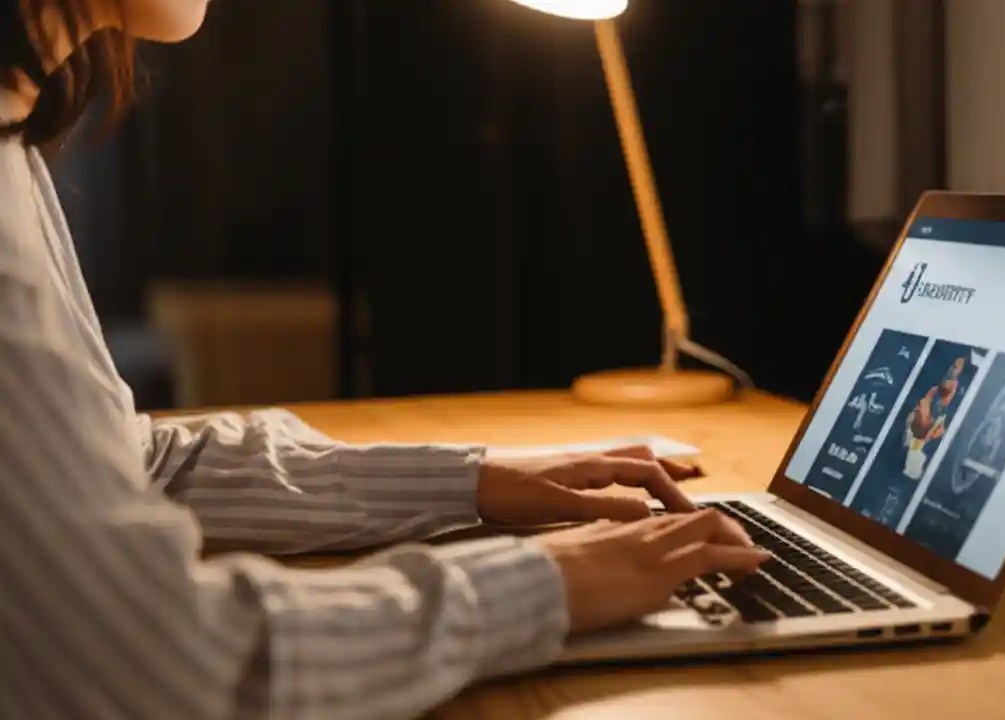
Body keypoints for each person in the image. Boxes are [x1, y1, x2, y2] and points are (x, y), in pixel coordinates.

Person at [0, 1, 770, 717]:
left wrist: (472, 480)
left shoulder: (14, 142)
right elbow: (165, 663)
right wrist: (551, 582)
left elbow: (138, 465)